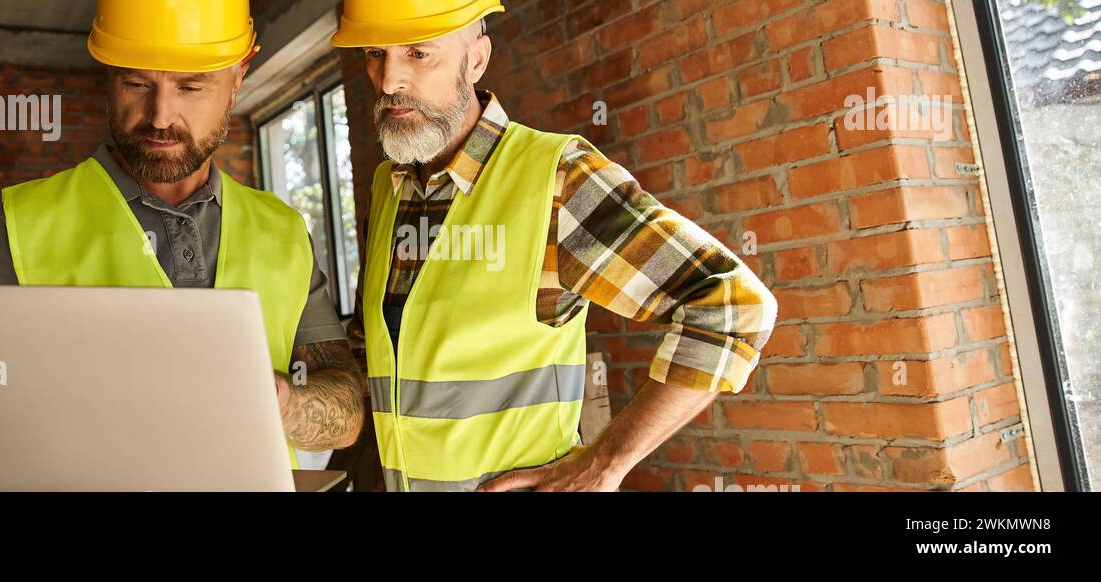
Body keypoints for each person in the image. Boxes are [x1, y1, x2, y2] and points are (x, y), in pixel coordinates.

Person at [333, 0, 779, 491]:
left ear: (476, 60)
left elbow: (732, 304)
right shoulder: (388, 186)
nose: (389, 79)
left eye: (418, 53)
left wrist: (605, 461)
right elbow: (378, 354)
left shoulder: (557, 179)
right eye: (375, 52)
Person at [0, 0, 365, 464]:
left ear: (238, 79)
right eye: (135, 82)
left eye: (190, 86)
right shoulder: (19, 224)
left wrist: (282, 401)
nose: (160, 116)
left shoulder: (283, 230)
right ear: (109, 76)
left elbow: (346, 414)